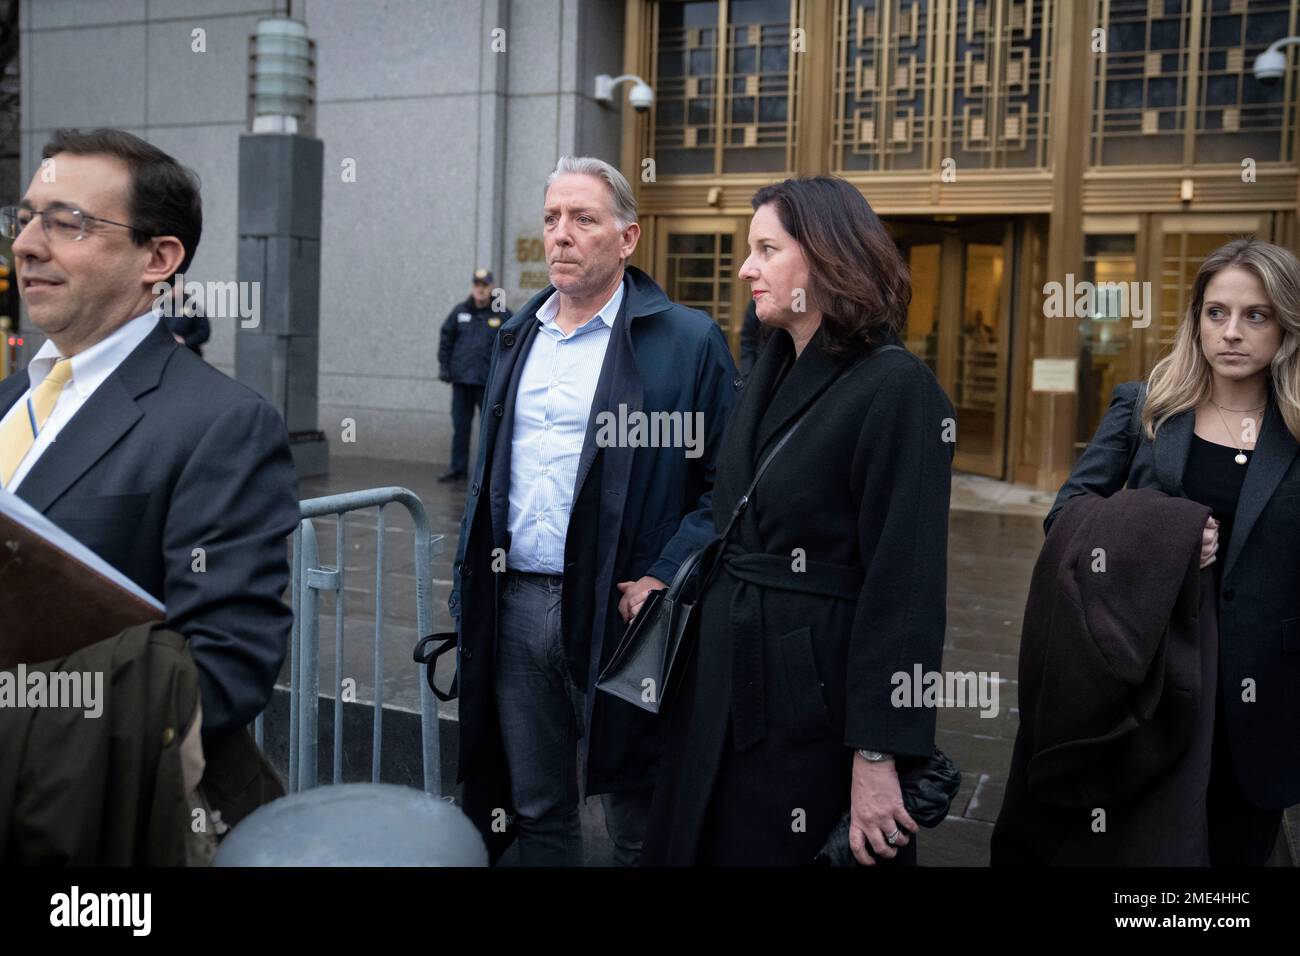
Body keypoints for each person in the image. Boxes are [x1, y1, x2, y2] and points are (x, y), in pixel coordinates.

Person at [641, 175, 956, 866]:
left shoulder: (898, 390)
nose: (747, 268)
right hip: (720, 674)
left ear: (828, 256)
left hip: (812, 698)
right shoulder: (768, 368)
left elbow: (906, 593)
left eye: (766, 248)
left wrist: (879, 755)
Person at [448, 156, 737, 866]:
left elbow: (726, 486)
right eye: (551, 218)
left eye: (583, 218)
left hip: (624, 614)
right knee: (538, 806)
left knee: (639, 810)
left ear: (628, 237)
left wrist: (667, 572)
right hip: (516, 605)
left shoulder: (685, 342)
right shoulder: (516, 336)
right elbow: (489, 481)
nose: (561, 235)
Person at [0, 127, 301, 737]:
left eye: (67, 222)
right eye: (25, 219)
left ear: (158, 259)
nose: (26, 245)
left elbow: (219, 676)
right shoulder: (10, 399)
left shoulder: (222, 426)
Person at [1030, 238, 1300, 866]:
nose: (1231, 332)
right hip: (1152, 678)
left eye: (1254, 315)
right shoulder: (1146, 405)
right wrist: (1159, 535)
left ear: (1286, 324)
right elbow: (1065, 516)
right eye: (1216, 312)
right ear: (1197, 318)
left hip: (1263, 695)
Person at [437, 268, 509, 482]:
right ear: (472, 287)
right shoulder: (460, 312)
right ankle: (458, 468)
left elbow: (512, 344)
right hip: (461, 381)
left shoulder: (502, 314)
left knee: (490, 428)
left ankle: (489, 472)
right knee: (460, 427)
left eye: (484, 285)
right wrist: (445, 367)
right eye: (477, 285)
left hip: (487, 382)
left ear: (492, 288)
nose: (480, 289)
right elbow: (446, 340)